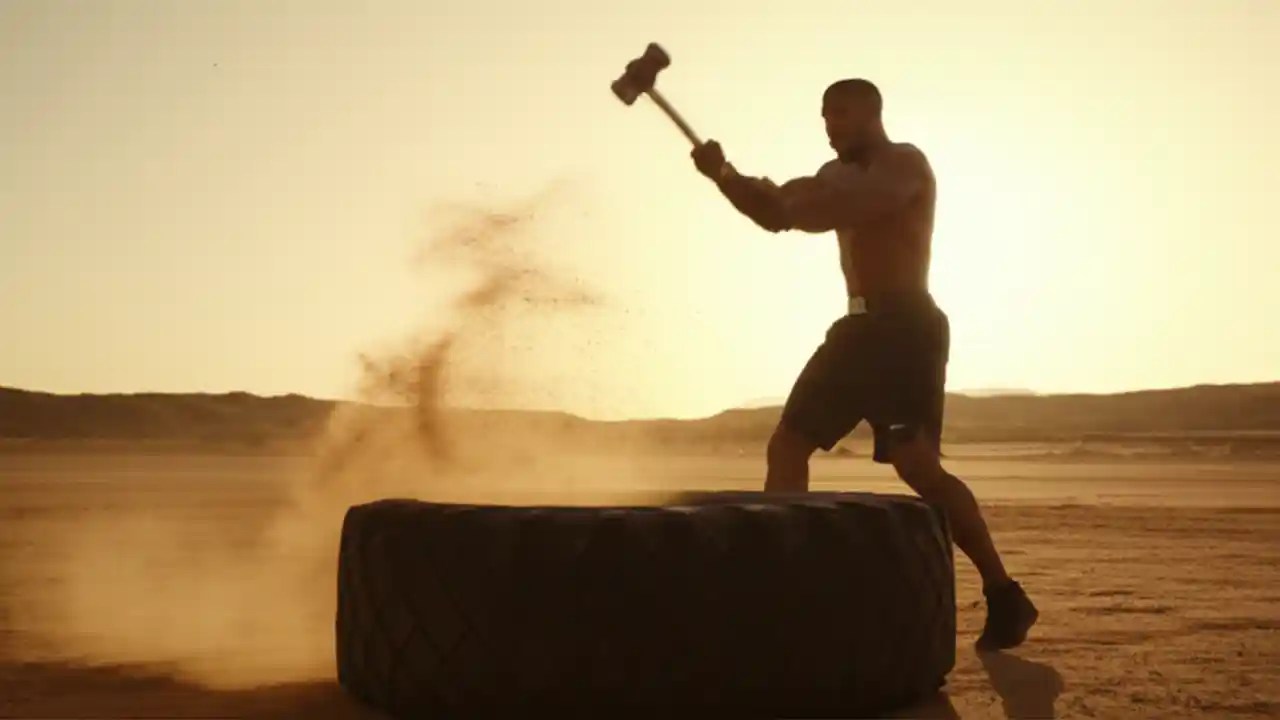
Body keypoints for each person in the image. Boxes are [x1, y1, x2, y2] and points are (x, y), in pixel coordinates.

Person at [689, 78, 1038, 651]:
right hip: (855, 330)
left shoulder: (904, 165)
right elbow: (777, 212)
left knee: (917, 466)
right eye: (824, 116)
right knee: (787, 445)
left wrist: (786, 201)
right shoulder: (831, 179)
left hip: (907, 328)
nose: (830, 126)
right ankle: (785, 589)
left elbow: (847, 205)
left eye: (841, 114)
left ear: (873, 114)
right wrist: (725, 178)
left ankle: (1004, 593)